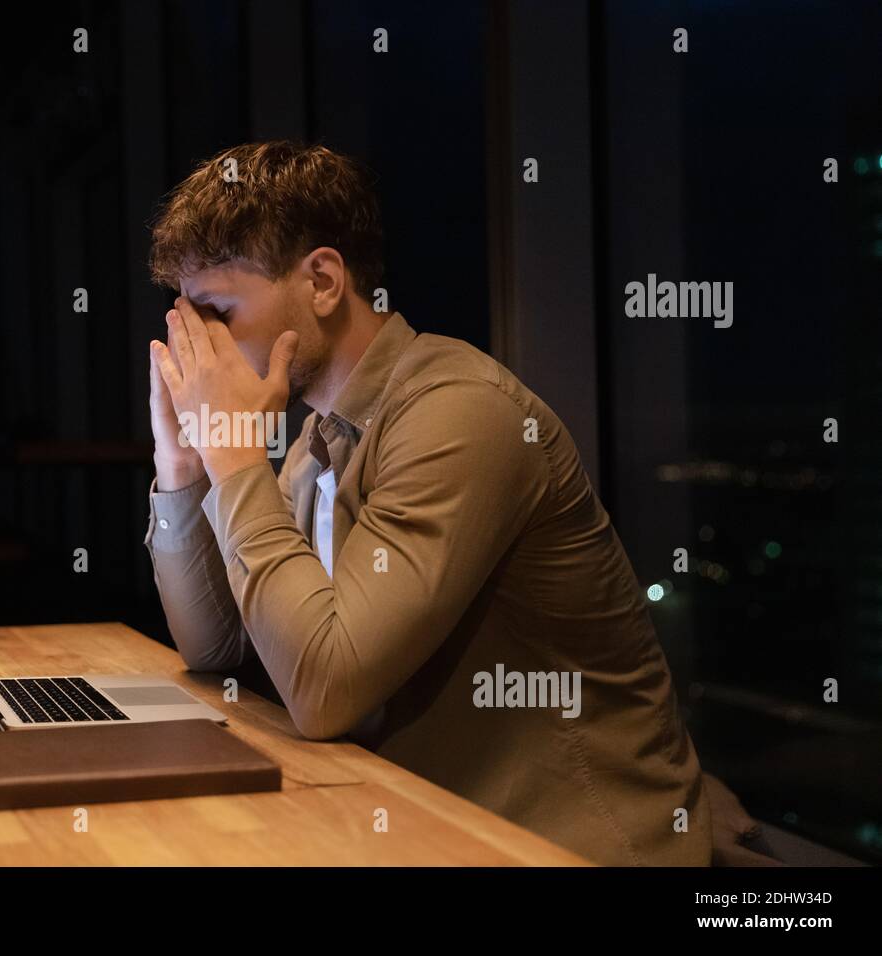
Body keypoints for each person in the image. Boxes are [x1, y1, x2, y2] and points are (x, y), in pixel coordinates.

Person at [142, 140, 711, 866]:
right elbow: (217, 648)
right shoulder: (322, 436)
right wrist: (184, 464)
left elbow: (324, 686)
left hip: (566, 848)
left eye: (216, 313)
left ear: (323, 282)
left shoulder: (457, 413)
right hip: (421, 822)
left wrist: (237, 458)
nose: (196, 349)